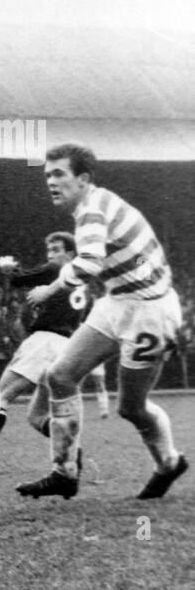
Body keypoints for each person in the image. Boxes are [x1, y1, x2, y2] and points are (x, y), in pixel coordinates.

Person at [17, 144, 187, 500]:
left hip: (150, 313)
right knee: (60, 375)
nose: (50, 181)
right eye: (47, 174)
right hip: (118, 302)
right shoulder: (93, 205)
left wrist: (51, 288)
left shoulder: (93, 209)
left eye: (59, 174)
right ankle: (64, 473)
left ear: (83, 179)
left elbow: (90, 263)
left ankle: (169, 463)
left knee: (131, 407)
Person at [0, 234, 83, 476]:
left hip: (44, 342)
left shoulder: (58, 268)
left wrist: (9, 269)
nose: (51, 255)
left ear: (72, 254)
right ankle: (73, 452)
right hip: (65, 347)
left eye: (56, 249)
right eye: (49, 250)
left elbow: (20, 280)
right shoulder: (80, 281)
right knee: (37, 416)